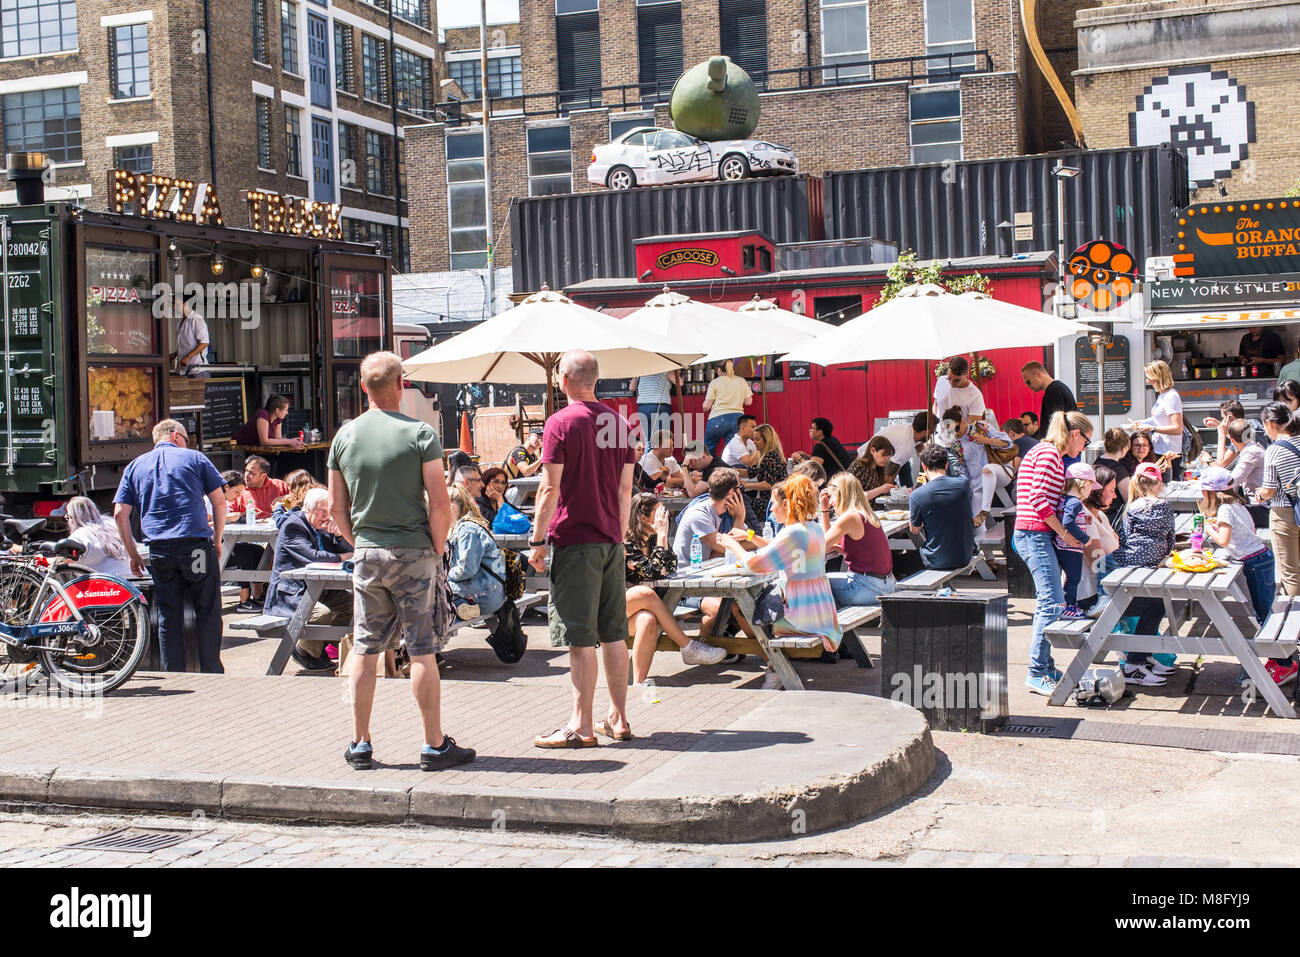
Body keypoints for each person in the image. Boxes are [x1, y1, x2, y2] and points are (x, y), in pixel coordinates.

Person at [328, 351, 473, 772]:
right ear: (401, 385)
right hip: (414, 551)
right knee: (423, 650)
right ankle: (433, 744)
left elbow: (338, 508)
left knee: (366, 649)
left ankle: (359, 744)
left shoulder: (344, 437)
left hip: (368, 553)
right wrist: (438, 546)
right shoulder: (421, 434)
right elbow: (441, 501)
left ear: (363, 388)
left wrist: (361, 543)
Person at [527, 350, 635, 748]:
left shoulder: (559, 422)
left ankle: (582, 726)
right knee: (613, 635)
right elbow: (626, 491)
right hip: (611, 540)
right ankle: (619, 719)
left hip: (575, 540)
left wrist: (537, 542)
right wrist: (618, 536)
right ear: (595, 379)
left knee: (579, 639)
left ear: (564, 379)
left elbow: (549, 488)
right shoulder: (620, 423)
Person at [113, 418, 226, 672]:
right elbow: (219, 502)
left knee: (168, 612)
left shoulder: (134, 466)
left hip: (160, 549)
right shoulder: (195, 458)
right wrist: (217, 540)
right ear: (176, 435)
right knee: (207, 607)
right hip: (196, 547)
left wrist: (133, 554)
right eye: (186, 439)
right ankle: (211, 670)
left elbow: (120, 513)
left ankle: (173, 671)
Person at [717, 475, 842, 690]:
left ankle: (774, 667)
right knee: (758, 605)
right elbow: (777, 547)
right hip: (821, 614)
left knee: (744, 609)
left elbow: (755, 564)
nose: (771, 509)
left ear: (787, 504)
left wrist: (731, 545)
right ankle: (774, 666)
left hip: (802, 619)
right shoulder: (811, 528)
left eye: (773, 503)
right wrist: (749, 536)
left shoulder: (793, 532)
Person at [1013, 410, 1092, 696]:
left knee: (1051, 602)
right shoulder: (1050, 455)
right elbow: (1038, 500)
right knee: (1052, 602)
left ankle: (1044, 666)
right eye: (1085, 440)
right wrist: (1064, 532)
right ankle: (1036, 672)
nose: (1084, 447)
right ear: (1074, 434)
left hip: (1034, 533)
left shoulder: (1045, 453)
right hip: (1034, 533)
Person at [1198, 466, 1293, 685]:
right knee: (1264, 611)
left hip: (1254, 562)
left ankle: (1286, 664)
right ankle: (1279, 658)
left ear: (1209, 493)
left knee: (1263, 615)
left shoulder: (1223, 510)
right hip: (1261, 557)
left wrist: (1208, 526)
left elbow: (1223, 540)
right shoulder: (1237, 504)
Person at [624, 493, 727, 685]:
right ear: (644, 518)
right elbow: (655, 571)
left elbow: (670, 565)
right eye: (660, 512)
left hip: (639, 611)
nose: (666, 517)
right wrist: (663, 535)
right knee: (645, 593)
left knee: (647, 620)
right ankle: (688, 646)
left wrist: (661, 540)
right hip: (614, 609)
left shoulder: (654, 541)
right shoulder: (626, 544)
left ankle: (639, 682)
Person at [263, 487, 354, 672]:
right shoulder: (294, 526)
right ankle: (305, 651)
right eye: (323, 511)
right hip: (292, 591)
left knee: (352, 603)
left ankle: (326, 646)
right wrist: (344, 557)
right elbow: (313, 556)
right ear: (308, 509)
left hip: (320, 588)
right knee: (321, 613)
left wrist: (338, 535)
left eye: (330, 511)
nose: (327, 516)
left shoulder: (324, 525)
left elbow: (348, 548)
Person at [1110, 462, 1176, 687]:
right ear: (1158, 484)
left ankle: (1138, 658)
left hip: (1128, 567)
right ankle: (1134, 663)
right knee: (1155, 603)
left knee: (1156, 603)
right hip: (1151, 567)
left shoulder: (1132, 507)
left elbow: (1125, 537)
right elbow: (1170, 538)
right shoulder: (1165, 506)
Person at [673, 468, 755, 638]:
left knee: (747, 601)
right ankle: (703, 647)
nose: (743, 493)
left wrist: (739, 541)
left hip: (710, 579)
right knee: (721, 607)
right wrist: (740, 519)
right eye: (740, 488)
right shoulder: (699, 514)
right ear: (732, 492)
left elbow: (750, 542)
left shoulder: (726, 514)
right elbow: (727, 546)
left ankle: (731, 641)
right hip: (685, 585)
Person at [819, 472, 894, 608]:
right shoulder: (867, 514)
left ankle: (830, 626)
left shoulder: (850, 517)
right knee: (825, 582)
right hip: (886, 585)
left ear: (841, 494)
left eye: (831, 496)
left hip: (867, 588)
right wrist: (824, 512)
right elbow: (831, 543)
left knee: (816, 584)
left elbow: (820, 547)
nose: (830, 502)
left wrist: (823, 511)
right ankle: (837, 625)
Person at [908, 442, 975, 571]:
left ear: (924, 466)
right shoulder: (963, 485)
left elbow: (914, 530)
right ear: (946, 464)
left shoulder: (917, 495)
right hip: (965, 555)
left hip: (936, 558)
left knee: (896, 563)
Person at [1258, 400, 1300, 599]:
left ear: (1269, 424)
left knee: (1289, 571)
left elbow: (1269, 490)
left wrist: (1259, 494)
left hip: (1285, 513)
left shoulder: (1274, 449)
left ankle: (1295, 624)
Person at [446, 485, 506, 621]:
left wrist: (445, 577)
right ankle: (462, 605)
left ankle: (460, 604)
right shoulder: (468, 526)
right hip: (494, 591)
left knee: (435, 592)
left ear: (451, 507)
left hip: (486, 594)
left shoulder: (467, 530)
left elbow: (467, 569)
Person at [1053, 462, 1098, 617]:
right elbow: (1067, 522)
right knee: (1074, 578)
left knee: (1067, 577)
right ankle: (1069, 606)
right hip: (1071, 548)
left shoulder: (1064, 499)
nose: (1091, 491)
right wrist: (1085, 538)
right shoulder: (1075, 502)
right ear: (1084, 484)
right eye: (1091, 486)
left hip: (1061, 546)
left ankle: (1066, 604)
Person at [1078, 465, 1121, 616]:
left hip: (1108, 587)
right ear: (1096, 490)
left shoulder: (1100, 515)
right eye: (1111, 490)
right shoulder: (1085, 517)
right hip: (1090, 595)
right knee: (1153, 604)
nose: (1115, 496)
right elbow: (1097, 563)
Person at [65, 495, 136, 581]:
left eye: (67, 517)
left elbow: (65, 559)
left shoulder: (80, 536)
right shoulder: (112, 524)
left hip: (111, 584)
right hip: (134, 575)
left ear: (72, 517)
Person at [1134, 360, 1184, 480]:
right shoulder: (1163, 395)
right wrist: (1144, 422)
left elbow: (1177, 428)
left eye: (1149, 377)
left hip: (1168, 453)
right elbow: (1160, 418)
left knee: (1166, 485)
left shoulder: (1171, 396)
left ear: (1158, 377)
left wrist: (1152, 428)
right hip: (1159, 449)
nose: (1147, 381)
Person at [862, 412, 936, 489]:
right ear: (926, 431)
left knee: (905, 467)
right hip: (868, 460)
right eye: (932, 432)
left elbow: (919, 447)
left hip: (887, 454)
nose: (932, 436)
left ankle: (908, 489)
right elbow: (889, 477)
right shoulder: (906, 447)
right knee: (889, 483)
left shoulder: (912, 431)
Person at [702, 361, 753, 456]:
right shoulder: (741, 381)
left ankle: (708, 470)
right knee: (733, 451)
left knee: (708, 448)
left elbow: (706, 406)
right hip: (737, 420)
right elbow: (748, 402)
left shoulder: (715, 382)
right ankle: (731, 470)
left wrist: (703, 406)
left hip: (717, 418)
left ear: (718, 370)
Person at [1021, 361, 1078, 437]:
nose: (1027, 386)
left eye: (1028, 382)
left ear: (1037, 374)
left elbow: (1057, 425)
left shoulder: (1053, 391)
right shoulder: (1057, 388)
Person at [232, 394, 306, 450]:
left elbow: (278, 438)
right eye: (286, 410)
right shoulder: (263, 415)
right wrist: (289, 441)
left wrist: (294, 441)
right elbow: (264, 441)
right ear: (277, 410)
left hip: (257, 449)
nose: (287, 413)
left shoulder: (278, 418)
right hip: (240, 449)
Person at [746, 423, 788, 518]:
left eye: (757, 439)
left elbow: (770, 484)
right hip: (772, 500)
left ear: (767, 440)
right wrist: (732, 470)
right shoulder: (766, 456)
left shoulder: (771, 457)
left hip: (772, 501)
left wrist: (747, 485)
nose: (754, 442)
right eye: (754, 439)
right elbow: (750, 472)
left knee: (744, 504)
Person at [233, 456, 288, 520]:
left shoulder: (280, 485)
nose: (246, 475)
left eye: (251, 473)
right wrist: (241, 516)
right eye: (246, 471)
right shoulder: (238, 490)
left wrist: (287, 498)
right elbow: (228, 515)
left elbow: (298, 503)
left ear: (263, 476)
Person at [631, 370, 680, 442]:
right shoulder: (665, 369)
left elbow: (632, 387)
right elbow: (680, 383)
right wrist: (677, 371)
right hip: (659, 405)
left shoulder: (641, 370)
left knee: (648, 441)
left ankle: (648, 453)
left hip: (643, 407)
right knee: (663, 441)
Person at [932, 355, 986, 420]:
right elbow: (936, 403)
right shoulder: (941, 380)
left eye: (956, 380)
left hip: (959, 430)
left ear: (966, 374)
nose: (951, 383)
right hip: (938, 429)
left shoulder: (975, 395)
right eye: (949, 379)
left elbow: (973, 426)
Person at [848, 436, 898, 502]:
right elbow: (853, 497)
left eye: (888, 455)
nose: (887, 458)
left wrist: (893, 489)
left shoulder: (880, 469)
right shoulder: (858, 467)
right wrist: (880, 489)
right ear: (872, 451)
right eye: (883, 455)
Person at [1226, 419, 1265, 500]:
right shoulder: (1253, 449)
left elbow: (1231, 482)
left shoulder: (1251, 452)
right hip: (1255, 501)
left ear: (1231, 439)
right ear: (1251, 433)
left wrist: (1210, 461)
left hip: (1256, 504)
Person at [173, 296, 210, 377]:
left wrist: (188, 357)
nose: (173, 307)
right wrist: (174, 354)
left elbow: (204, 343)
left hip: (198, 371)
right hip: (183, 371)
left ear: (186, 304)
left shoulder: (197, 319)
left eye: (176, 305)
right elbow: (187, 346)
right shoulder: (180, 322)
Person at [1205, 399, 1246, 469]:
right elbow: (1234, 436)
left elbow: (1221, 464)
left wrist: (1221, 434)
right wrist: (1219, 424)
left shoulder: (1241, 437)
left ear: (1229, 417)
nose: (1222, 421)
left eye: (1223, 418)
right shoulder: (1247, 430)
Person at [1094, 427, 1133, 499]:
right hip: (1112, 508)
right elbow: (1128, 497)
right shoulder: (1119, 469)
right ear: (1124, 449)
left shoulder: (1097, 461)